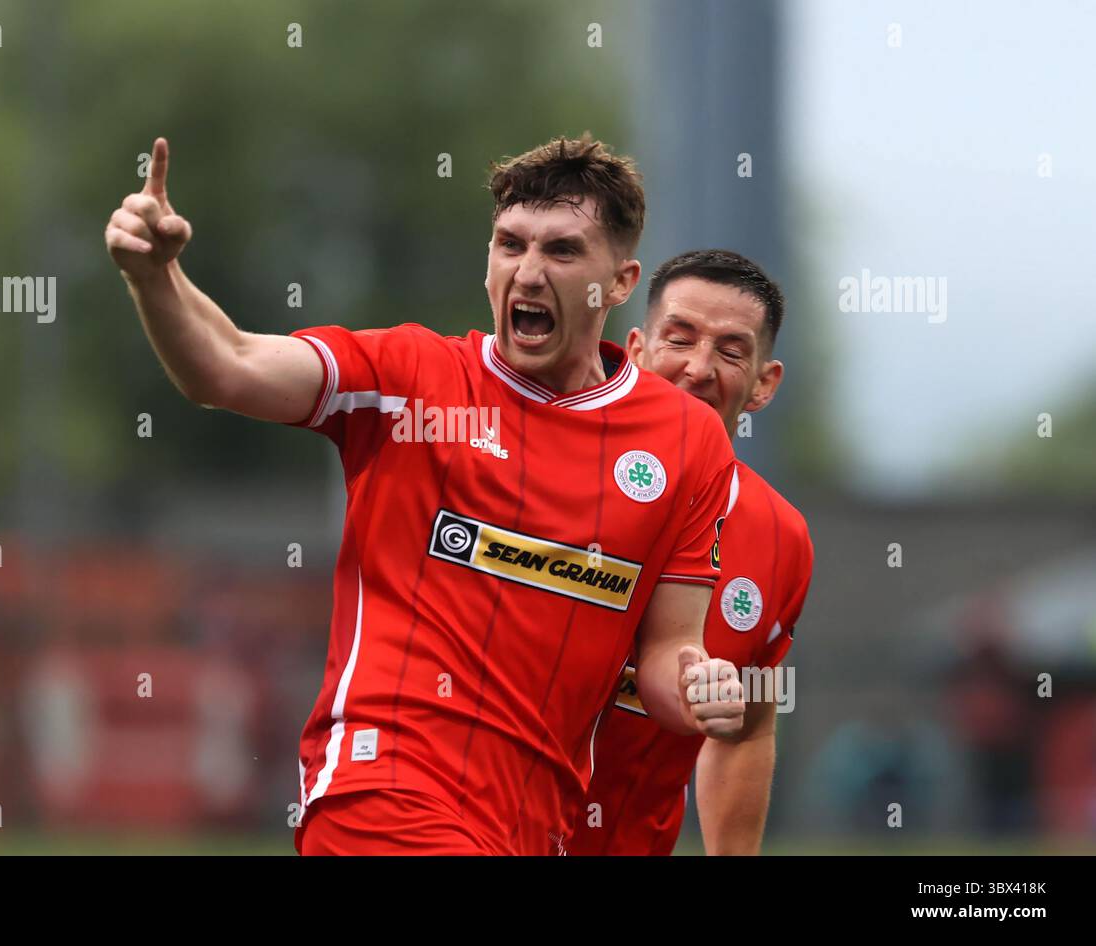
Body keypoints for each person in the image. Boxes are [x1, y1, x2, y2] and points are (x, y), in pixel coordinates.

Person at [105, 136, 743, 855]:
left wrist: (699, 683)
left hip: (531, 828)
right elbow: (228, 364)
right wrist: (155, 277)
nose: (527, 273)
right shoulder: (411, 380)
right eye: (509, 245)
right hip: (381, 794)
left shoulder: (686, 442)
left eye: (561, 251)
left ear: (621, 281)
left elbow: (668, 653)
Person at [568, 249, 814, 855]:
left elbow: (747, 725)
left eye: (731, 352)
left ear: (763, 384)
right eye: (679, 339)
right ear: (636, 349)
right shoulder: (546, 472)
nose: (699, 369)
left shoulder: (781, 538)